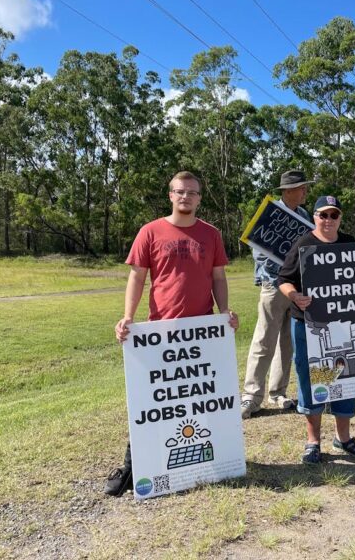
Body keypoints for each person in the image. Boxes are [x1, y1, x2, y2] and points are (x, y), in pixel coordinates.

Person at [105, 170, 239, 496]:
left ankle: (207, 461)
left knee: (202, 399)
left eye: (192, 193)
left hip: (202, 331)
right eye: (180, 192)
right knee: (153, 401)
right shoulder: (150, 232)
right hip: (160, 331)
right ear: (170, 195)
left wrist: (223, 313)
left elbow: (218, 277)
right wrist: (127, 317)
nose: (186, 197)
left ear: (199, 198)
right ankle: (132, 466)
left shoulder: (211, 234)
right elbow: (137, 277)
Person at [277, 195, 355, 464]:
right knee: (312, 378)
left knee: (346, 376)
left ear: (340, 218)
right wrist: (295, 296)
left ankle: (344, 438)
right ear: (314, 217)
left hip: (344, 325)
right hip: (308, 324)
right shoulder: (303, 244)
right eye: (323, 215)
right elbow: (283, 279)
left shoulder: (350, 243)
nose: (328, 220)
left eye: (334, 215)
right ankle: (313, 441)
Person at [240, 169, 313, 419]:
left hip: (297, 289)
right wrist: (283, 278)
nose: (305, 192)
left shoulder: (304, 216)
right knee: (264, 340)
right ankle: (251, 396)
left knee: (287, 342)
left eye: (305, 187)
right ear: (288, 191)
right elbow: (260, 253)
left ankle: (278, 392)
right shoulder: (271, 214)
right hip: (273, 286)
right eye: (302, 188)